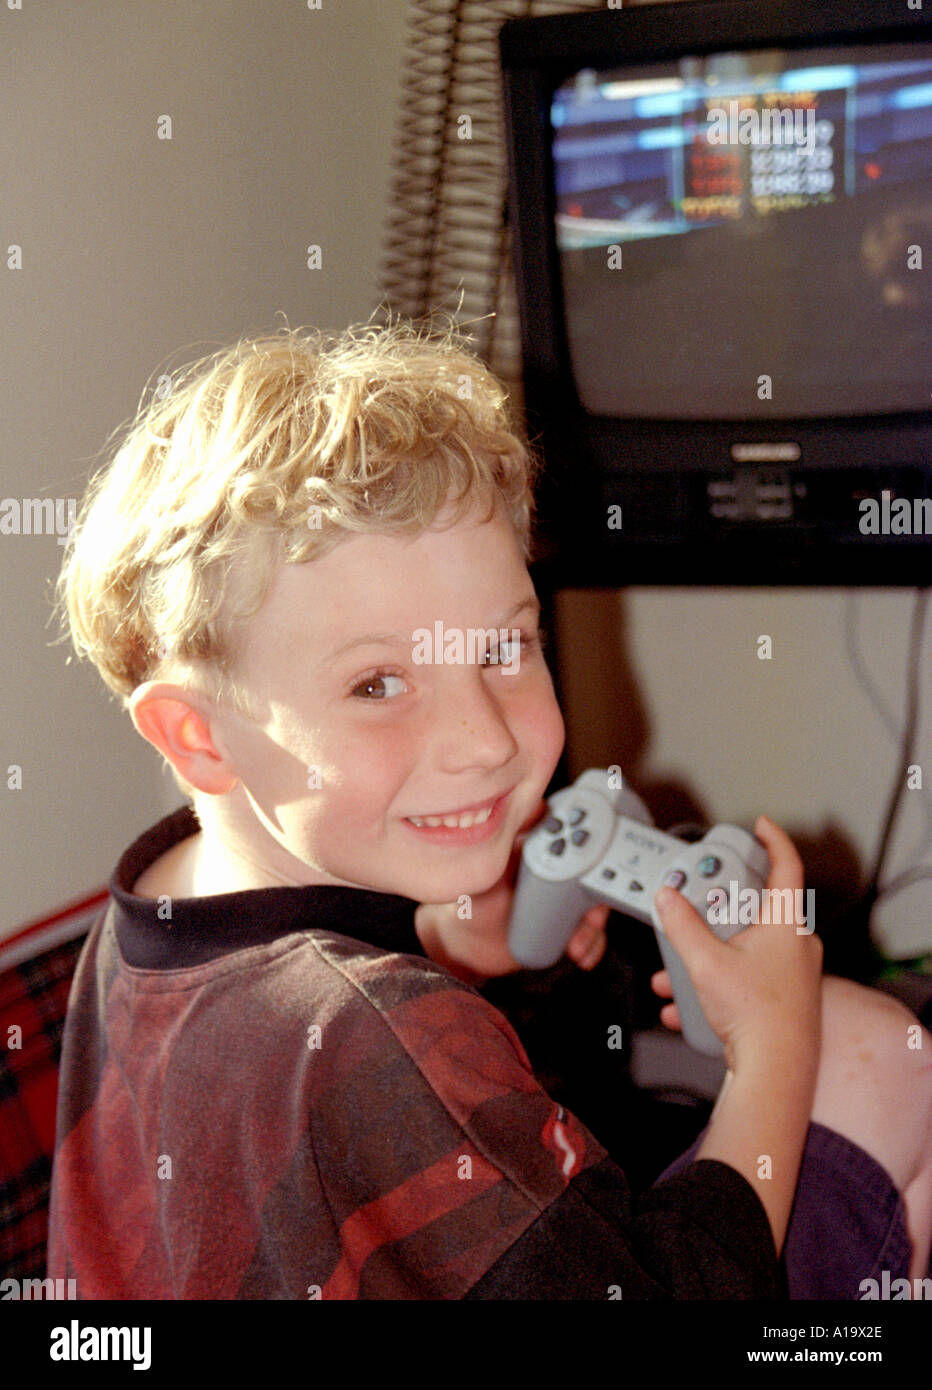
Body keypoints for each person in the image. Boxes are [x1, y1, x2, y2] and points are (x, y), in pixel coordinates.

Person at [47, 318, 932, 1299]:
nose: (486, 740)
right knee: (872, 1045)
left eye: (505, 647)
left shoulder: (152, 912)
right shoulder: (382, 1033)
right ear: (198, 735)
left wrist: (446, 943)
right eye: (378, 684)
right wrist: (771, 1043)